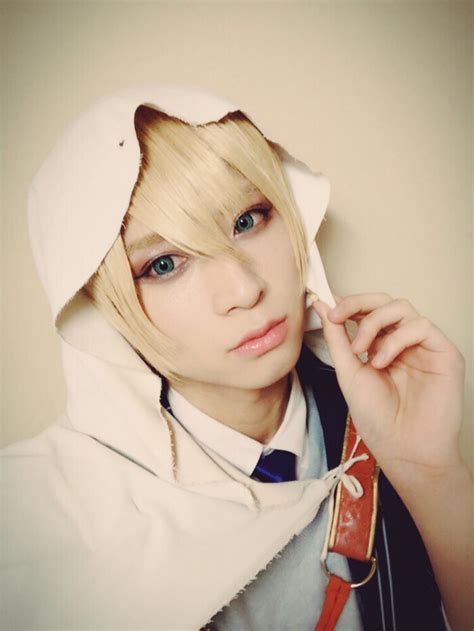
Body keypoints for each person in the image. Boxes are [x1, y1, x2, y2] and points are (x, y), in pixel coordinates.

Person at [1, 84, 472, 631]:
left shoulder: (382, 417)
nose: (245, 290)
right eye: (164, 264)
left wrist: (432, 475)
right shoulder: (30, 518)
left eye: (247, 220)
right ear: (103, 309)